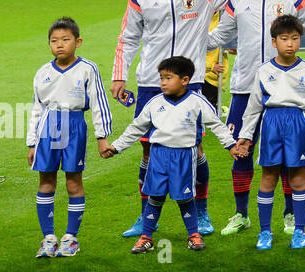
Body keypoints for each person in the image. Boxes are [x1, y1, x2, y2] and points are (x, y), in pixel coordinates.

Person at [207, 0, 305, 236]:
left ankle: (290, 214)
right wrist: (190, 38)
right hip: (244, 88)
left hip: (285, 93)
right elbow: (221, 36)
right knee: (241, 151)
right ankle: (241, 214)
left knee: (289, 157)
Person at [112, 0, 234, 238]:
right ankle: (144, 218)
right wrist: (118, 75)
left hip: (188, 84)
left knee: (195, 147)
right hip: (152, 84)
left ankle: (202, 212)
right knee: (148, 152)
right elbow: (127, 39)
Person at [104, 56, 244, 253]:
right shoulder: (154, 103)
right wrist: (117, 147)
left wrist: (230, 145)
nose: (163, 82)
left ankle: (193, 235)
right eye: (161, 78)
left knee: (185, 198)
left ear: (185, 80)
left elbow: (216, 125)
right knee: (155, 196)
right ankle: (146, 237)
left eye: (168, 78)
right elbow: (136, 128)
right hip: (158, 157)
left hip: (184, 158)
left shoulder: (197, 102)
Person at [235, 15, 305, 250]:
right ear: (274, 41)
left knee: (298, 178)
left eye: (295, 38)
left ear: (301, 40)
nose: (290, 44)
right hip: (271, 124)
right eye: (284, 38)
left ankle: (299, 231)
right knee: (268, 177)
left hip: (296, 124)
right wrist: (246, 136)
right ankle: (265, 232)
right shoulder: (264, 70)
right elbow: (254, 107)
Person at [28, 18, 112, 259]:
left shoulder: (88, 68)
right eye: (54, 41)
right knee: (46, 182)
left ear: (78, 42)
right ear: (49, 45)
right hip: (48, 127)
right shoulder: (43, 72)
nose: (60, 45)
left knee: (74, 182)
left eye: (65, 40)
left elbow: (99, 104)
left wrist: (101, 137)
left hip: (75, 125)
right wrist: (32, 142)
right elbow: (36, 108)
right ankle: (48, 239)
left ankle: (70, 238)